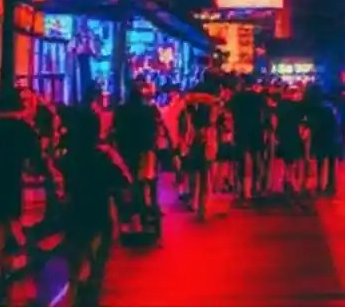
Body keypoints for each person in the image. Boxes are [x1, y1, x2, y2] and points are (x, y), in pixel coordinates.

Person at [58, 105, 131, 305]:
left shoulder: (67, 157)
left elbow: (58, 183)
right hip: (99, 215)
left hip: (74, 214)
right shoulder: (103, 157)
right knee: (96, 267)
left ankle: (73, 293)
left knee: (75, 264)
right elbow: (124, 182)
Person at [0, 87, 39, 281]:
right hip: (13, 177)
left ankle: (0, 263)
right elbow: (33, 155)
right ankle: (21, 253)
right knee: (13, 218)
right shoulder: (22, 128)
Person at [111, 80, 170, 231]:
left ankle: (133, 213)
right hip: (145, 150)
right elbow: (155, 129)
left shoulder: (121, 110)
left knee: (130, 182)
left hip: (126, 151)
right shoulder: (148, 110)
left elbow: (115, 130)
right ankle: (149, 212)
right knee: (148, 181)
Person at [180, 73, 221, 219]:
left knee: (193, 171)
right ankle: (202, 207)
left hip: (193, 137)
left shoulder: (192, 100)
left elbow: (186, 118)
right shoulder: (214, 101)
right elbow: (214, 120)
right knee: (205, 172)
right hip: (208, 137)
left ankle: (193, 201)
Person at [227, 79, 268, 202]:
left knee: (242, 160)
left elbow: (229, 112)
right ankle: (257, 186)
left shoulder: (237, 98)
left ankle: (242, 189)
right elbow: (264, 114)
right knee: (257, 158)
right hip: (256, 130)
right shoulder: (259, 98)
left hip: (241, 130)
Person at [305, 85, 341, 196]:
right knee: (331, 163)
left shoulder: (315, 108)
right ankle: (331, 185)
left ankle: (320, 185)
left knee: (320, 162)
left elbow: (313, 123)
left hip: (320, 137)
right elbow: (335, 122)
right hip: (332, 137)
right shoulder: (329, 107)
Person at [275, 85, 307, 195]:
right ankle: (290, 179)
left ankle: (286, 178)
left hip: (283, 132)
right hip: (292, 132)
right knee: (292, 158)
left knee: (286, 158)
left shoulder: (281, 105)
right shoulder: (296, 106)